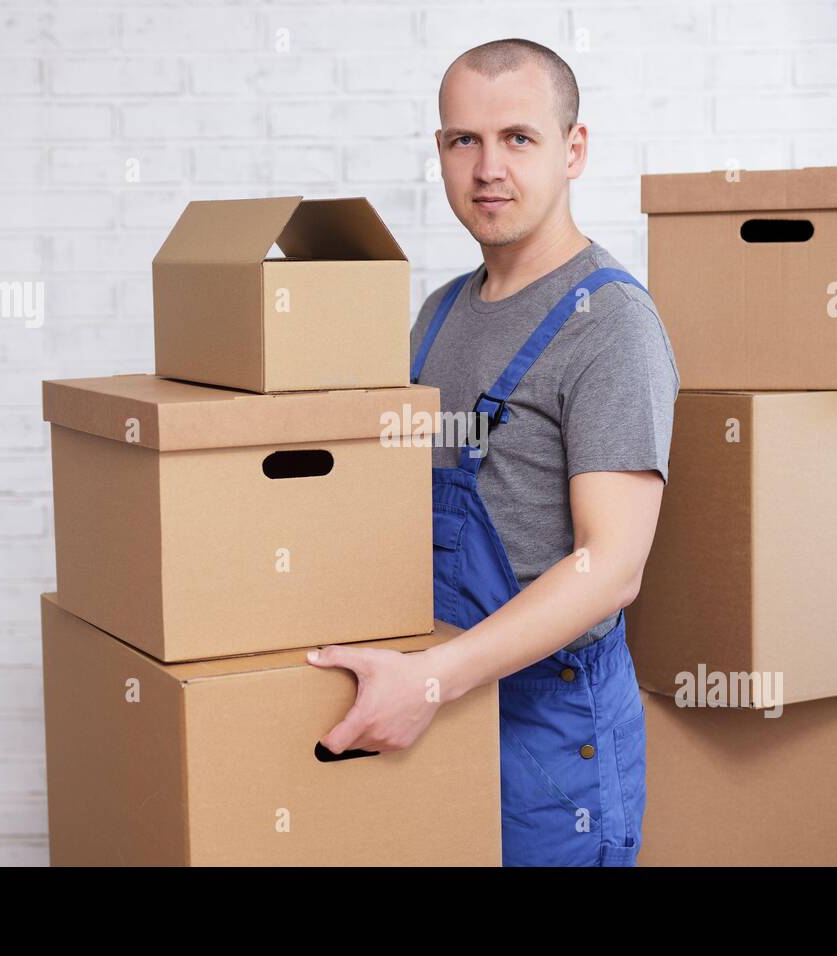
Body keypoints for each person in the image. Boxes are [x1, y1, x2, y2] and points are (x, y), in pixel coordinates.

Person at [308, 37, 680, 867]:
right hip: (435, 705)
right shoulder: (438, 316)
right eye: (462, 141)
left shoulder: (613, 327)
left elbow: (613, 566)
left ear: (573, 149)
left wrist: (435, 677)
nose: (487, 168)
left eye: (519, 138)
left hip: (550, 743)